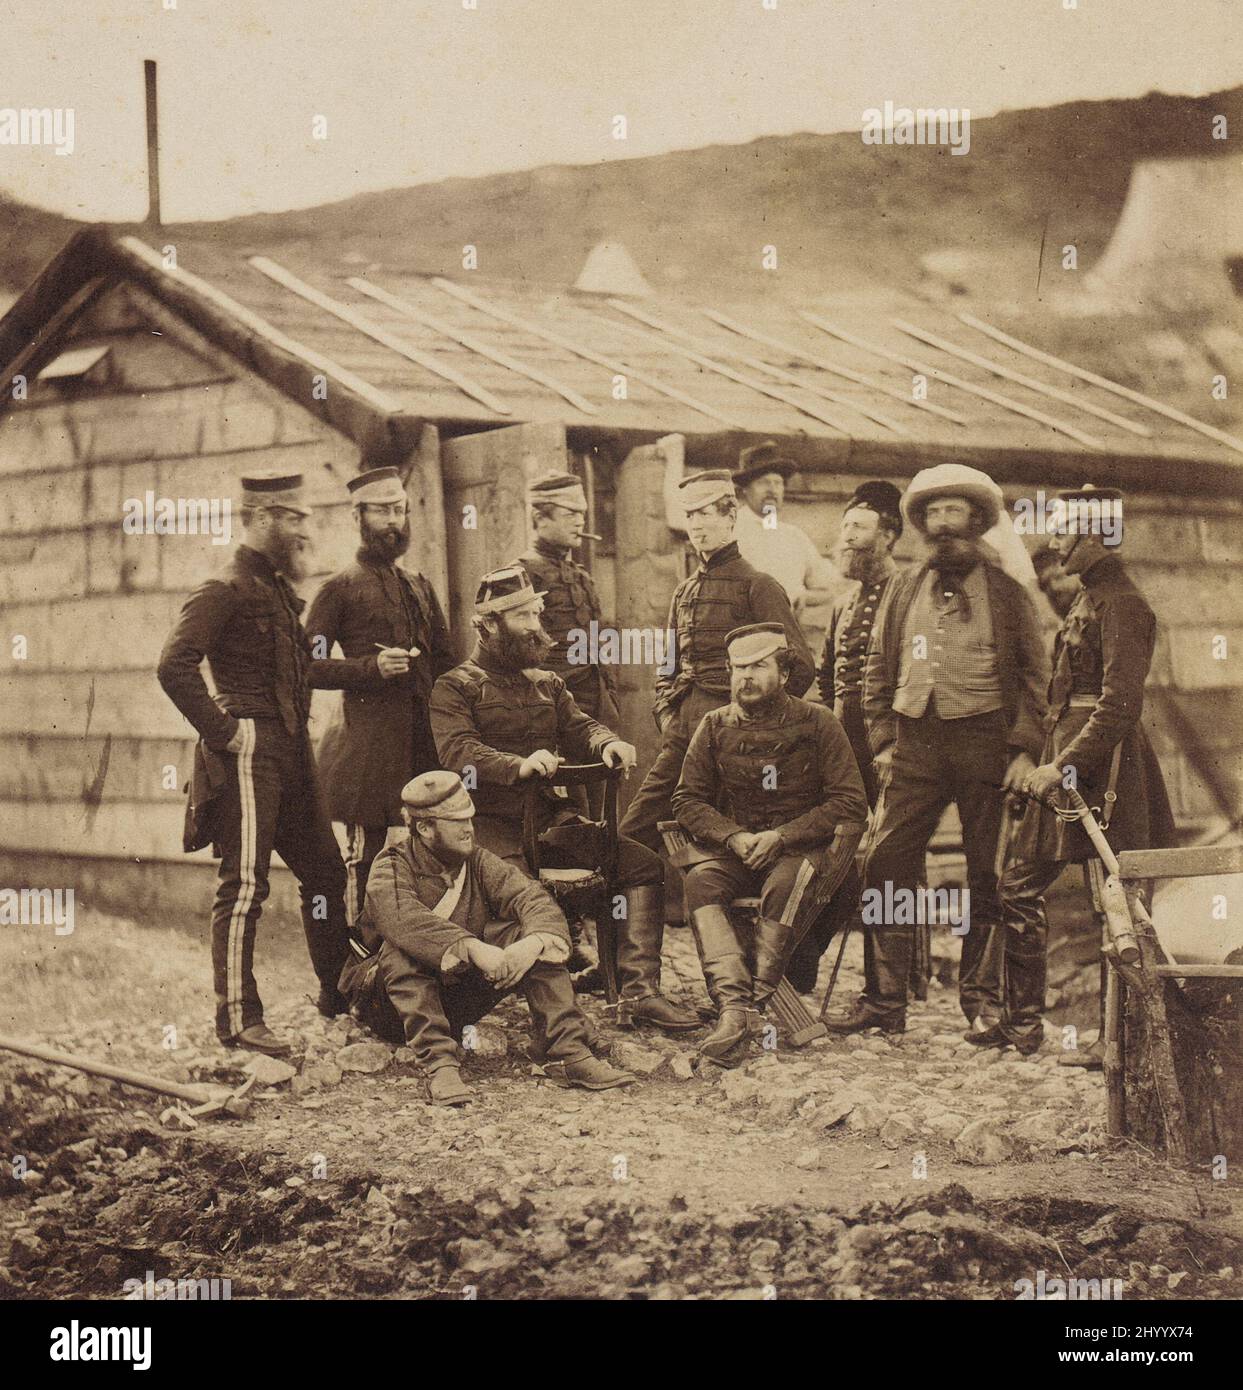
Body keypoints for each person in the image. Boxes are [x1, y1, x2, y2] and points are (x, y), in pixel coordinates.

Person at [826, 464, 1049, 1036]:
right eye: (934, 513)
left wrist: (1023, 750)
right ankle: (884, 1000)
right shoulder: (903, 588)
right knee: (885, 862)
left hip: (986, 743)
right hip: (914, 744)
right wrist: (880, 740)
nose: (944, 524)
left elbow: (1033, 678)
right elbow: (877, 668)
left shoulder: (1006, 592)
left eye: (956, 512)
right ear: (921, 524)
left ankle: (983, 1003)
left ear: (976, 522)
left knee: (989, 873)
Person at [430, 566, 699, 1032]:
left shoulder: (547, 683)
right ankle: (558, 1022)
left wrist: (606, 743)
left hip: (551, 823)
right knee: (528, 896)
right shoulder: (455, 686)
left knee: (639, 865)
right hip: (489, 828)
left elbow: (581, 727)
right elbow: (459, 754)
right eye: (523, 617)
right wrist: (518, 766)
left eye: (537, 612)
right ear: (489, 625)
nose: (537, 625)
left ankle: (638, 992)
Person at [977, 485, 1175, 1061]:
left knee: (1118, 905)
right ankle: (1022, 1027)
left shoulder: (1124, 604)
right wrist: (1044, 761)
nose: (1054, 542)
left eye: (1064, 531)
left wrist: (1061, 767)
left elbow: (1118, 707)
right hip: (1065, 763)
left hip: (1106, 767)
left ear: (1096, 536)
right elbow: (1060, 702)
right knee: (1019, 886)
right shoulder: (1088, 600)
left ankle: (1125, 1040)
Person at [156, 471, 351, 1056]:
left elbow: (303, 671)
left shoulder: (277, 590)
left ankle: (338, 996)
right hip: (248, 752)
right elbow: (174, 665)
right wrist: (225, 732)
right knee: (244, 886)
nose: (302, 531)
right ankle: (239, 1019)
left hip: (291, 752)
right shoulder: (225, 588)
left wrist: (369, 672)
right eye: (293, 519)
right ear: (263, 517)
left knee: (325, 873)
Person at [352, 771, 635, 1104]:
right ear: (425, 828)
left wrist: (532, 944)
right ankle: (439, 1064)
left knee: (525, 934)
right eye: (455, 821)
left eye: (469, 818)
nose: (468, 828)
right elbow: (403, 920)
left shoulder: (477, 860)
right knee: (401, 949)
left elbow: (531, 898)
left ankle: (566, 1050)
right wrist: (470, 946)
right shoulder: (391, 866)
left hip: (455, 997)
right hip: (389, 1009)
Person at [672, 624, 867, 1062]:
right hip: (739, 849)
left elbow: (851, 802)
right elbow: (686, 799)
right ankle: (734, 1008)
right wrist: (733, 836)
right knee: (701, 882)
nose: (746, 677)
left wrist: (783, 836)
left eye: (758, 666)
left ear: (784, 671)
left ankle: (753, 1003)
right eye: (738, 668)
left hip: (803, 849)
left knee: (789, 881)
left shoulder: (819, 722)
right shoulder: (714, 725)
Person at [620, 469, 815, 855]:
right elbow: (668, 665)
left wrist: (757, 723)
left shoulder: (757, 585)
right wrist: (667, 714)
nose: (697, 525)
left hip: (739, 734)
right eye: (690, 515)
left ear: (731, 518)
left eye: (707, 513)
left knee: (734, 838)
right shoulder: (685, 591)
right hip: (684, 729)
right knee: (634, 829)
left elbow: (800, 666)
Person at [305, 467, 455, 928]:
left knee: (429, 854)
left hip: (422, 746)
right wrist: (371, 669)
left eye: (400, 510)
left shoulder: (420, 586)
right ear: (358, 516)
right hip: (368, 752)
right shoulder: (339, 589)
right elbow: (306, 666)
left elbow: (449, 664)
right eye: (384, 511)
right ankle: (362, 970)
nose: (395, 520)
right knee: (373, 861)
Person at [817, 480, 904, 807]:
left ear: (888, 536)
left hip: (890, 739)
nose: (848, 536)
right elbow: (826, 673)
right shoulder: (843, 603)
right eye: (845, 527)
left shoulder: (907, 594)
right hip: (844, 739)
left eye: (859, 527)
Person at [730, 441, 838, 614]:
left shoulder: (794, 536)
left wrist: (802, 597)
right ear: (745, 490)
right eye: (763, 483)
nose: (772, 490)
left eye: (777, 483)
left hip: (786, 632)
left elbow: (828, 588)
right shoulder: (731, 530)